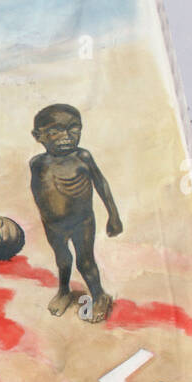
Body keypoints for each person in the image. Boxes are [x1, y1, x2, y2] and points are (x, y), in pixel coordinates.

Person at [29, 104, 123, 322]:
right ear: (38, 136)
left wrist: (113, 216)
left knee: (85, 261)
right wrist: (47, 217)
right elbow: (38, 191)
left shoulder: (83, 157)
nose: (66, 136)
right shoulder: (37, 164)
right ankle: (64, 291)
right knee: (62, 259)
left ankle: (99, 296)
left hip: (82, 222)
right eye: (55, 131)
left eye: (73, 129)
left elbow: (101, 183)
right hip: (53, 224)